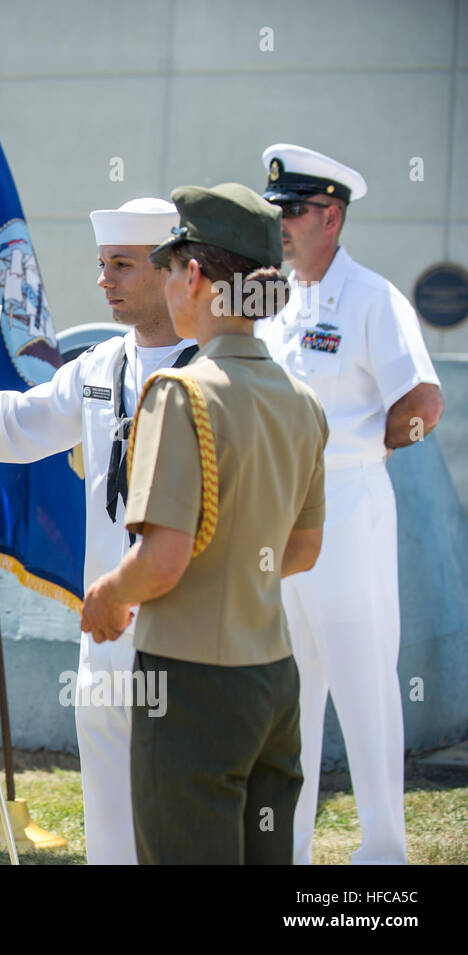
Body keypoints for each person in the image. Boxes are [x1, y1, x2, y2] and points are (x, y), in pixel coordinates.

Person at [80, 183, 329, 864]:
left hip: (191, 685)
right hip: (273, 679)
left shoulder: (180, 394)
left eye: (167, 268)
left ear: (193, 275)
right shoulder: (302, 400)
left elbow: (162, 561)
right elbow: (301, 549)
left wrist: (107, 594)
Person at [0, 199, 197, 863]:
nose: (104, 280)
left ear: (174, 272)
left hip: (191, 636)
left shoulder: (221, 369)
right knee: (108, 822)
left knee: (186, 822)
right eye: (102, 265)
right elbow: (14, 425)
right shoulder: (100, 364)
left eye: (122, 265)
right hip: (107, 631)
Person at [255, 144, 444, 865]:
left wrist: (372, 447)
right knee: (290, 690)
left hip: (349, 508)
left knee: (363, 681)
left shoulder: (373, 297)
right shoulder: (280, 301)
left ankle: (383, 851)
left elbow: (425, 401)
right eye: (279, 211)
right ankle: (290, 848)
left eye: (294, 210)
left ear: (331, 215)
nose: (284, 224)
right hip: (285, 515)